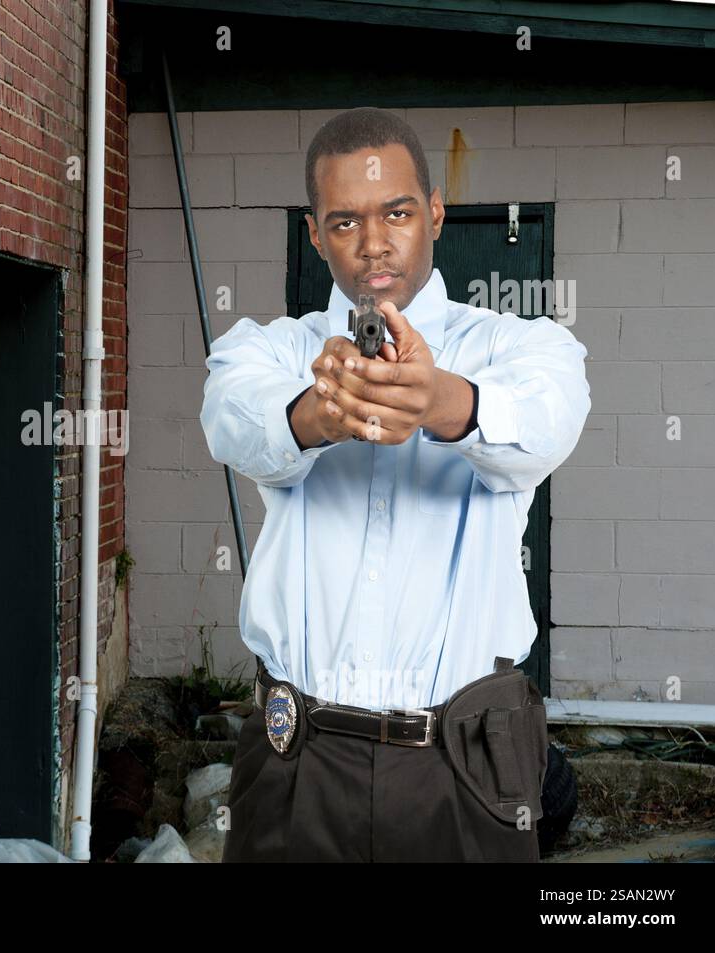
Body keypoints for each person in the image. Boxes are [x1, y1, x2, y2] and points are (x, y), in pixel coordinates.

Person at [199, 107, 590, 862]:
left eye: (398, 213)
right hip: (298, 761)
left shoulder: (516, 344)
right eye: (344, 221)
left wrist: (440, 400)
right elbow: (232, 419)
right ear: (314, 234)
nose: (374, 243)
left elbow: (548, 420)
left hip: (466, 763)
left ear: (436, 212)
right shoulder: (276, 351)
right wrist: (321, 411)